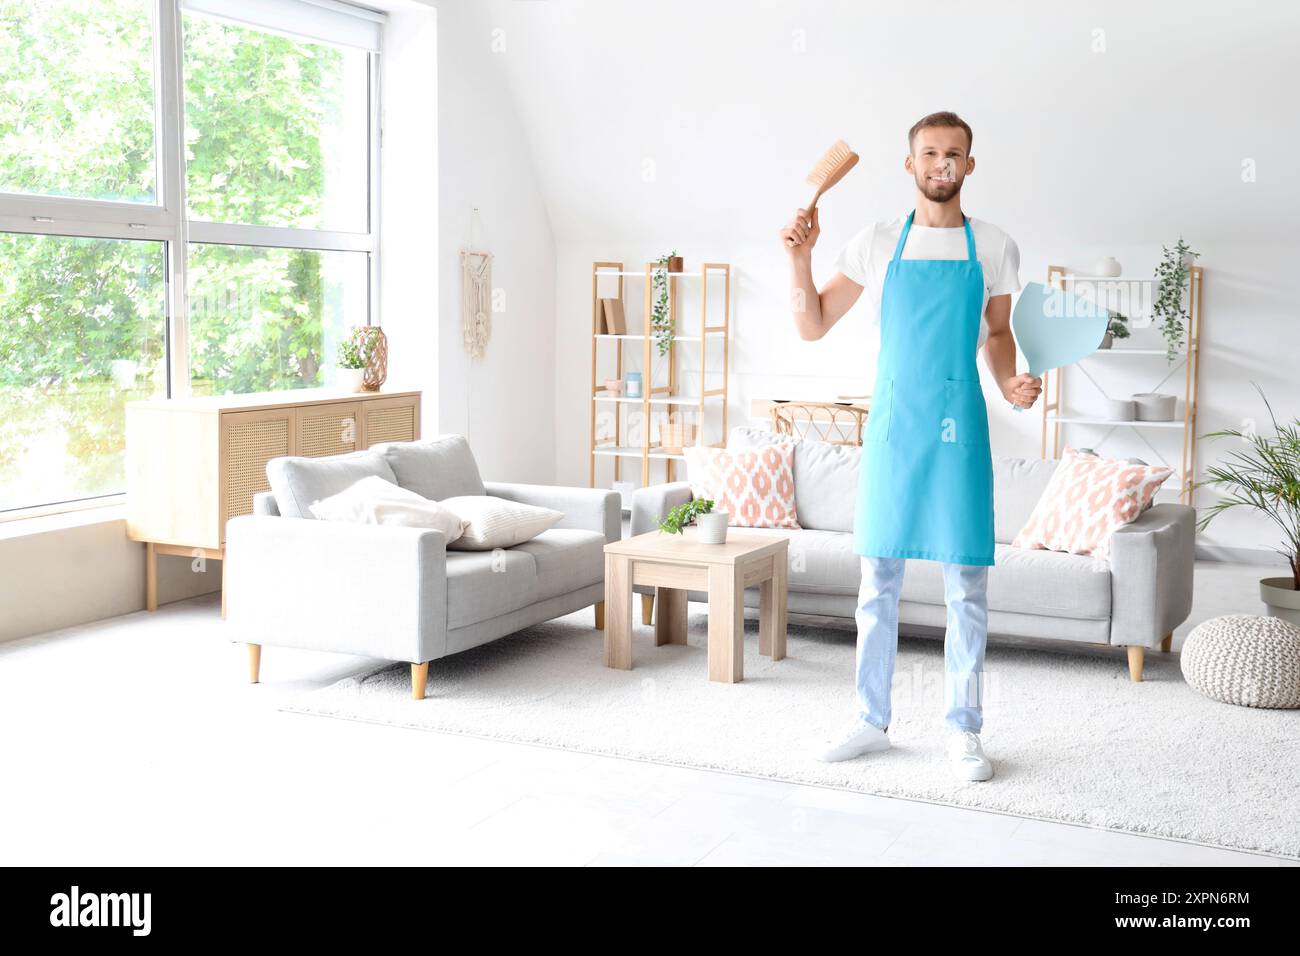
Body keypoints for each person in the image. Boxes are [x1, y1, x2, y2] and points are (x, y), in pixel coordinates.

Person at [779, 111, 1042, 782]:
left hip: (959, 426)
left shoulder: (993, 246)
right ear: (911, 165)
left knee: (966, 586)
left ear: (969, 166)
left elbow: (999, 331)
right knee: (878, 586)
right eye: (930, 153)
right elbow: (811, 325)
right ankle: (870, 722)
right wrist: (799, 258)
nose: (942, 164)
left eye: (954, 154)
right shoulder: (875, 244)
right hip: (894, 427)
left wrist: (1011, 380)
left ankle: (964, 731)